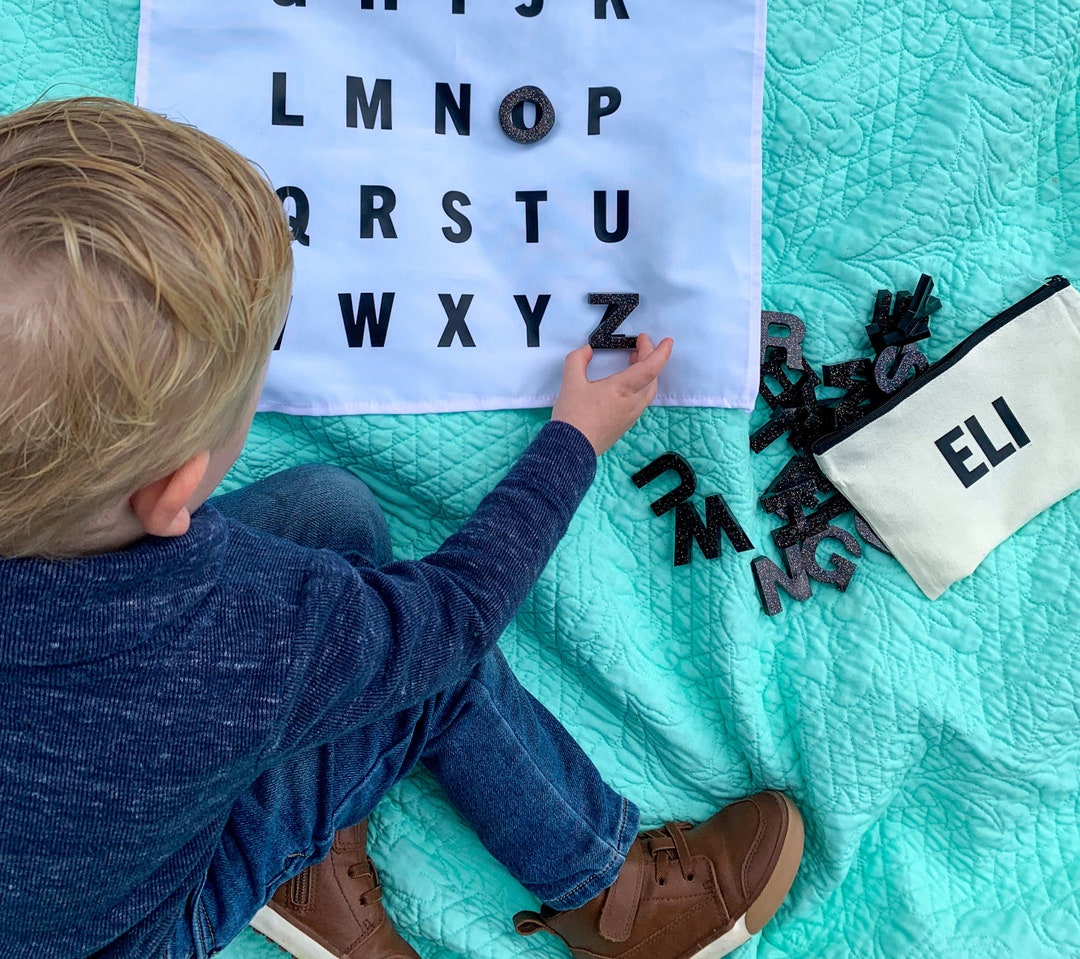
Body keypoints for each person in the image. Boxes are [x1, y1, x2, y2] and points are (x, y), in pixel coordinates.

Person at [0, 96, 803, 959]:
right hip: (136, 927)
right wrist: (574, 440)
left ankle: (306, 867)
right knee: (432, 677)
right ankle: (611, 892)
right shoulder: (248, 626)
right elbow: (453, 615)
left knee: (331, 510)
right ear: (175, 489)